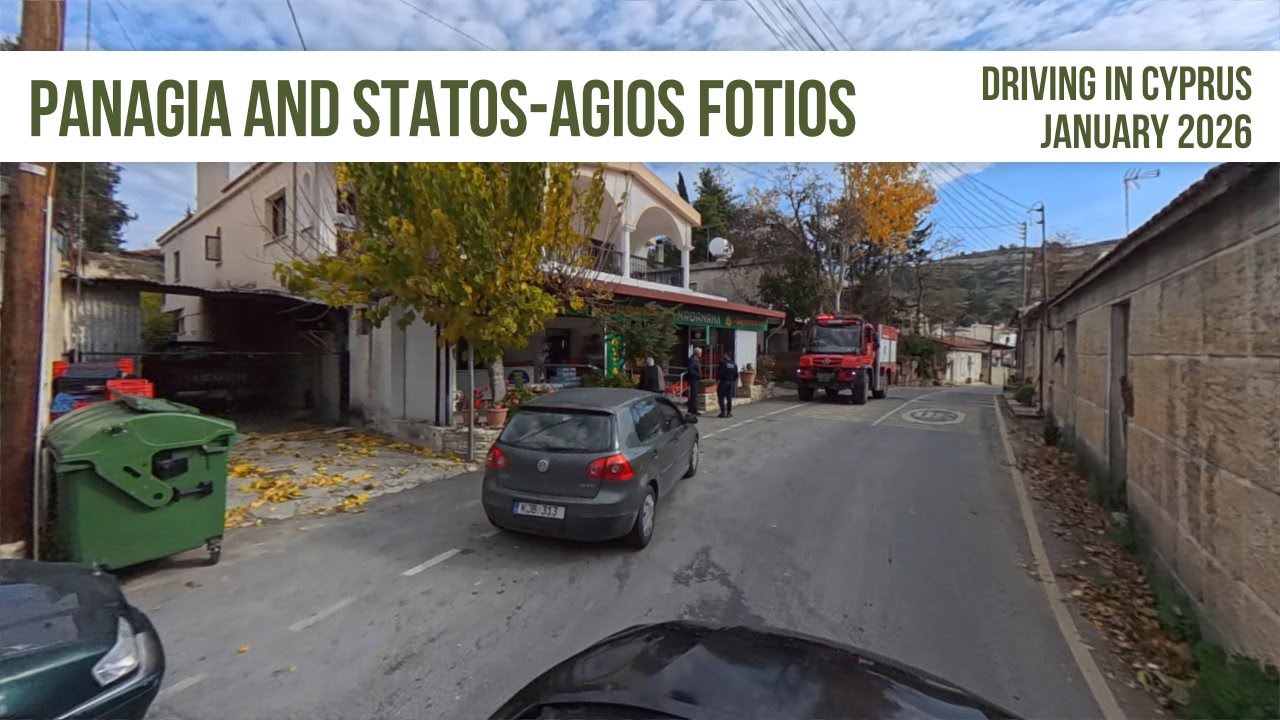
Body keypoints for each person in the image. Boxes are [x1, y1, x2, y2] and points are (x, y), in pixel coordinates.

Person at [716, 351, 739, 418]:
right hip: (730, 383)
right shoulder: (734, 365)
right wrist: (732, 380)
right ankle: (729, 413)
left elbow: (719, 373)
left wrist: (717, 380)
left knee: (721, 398)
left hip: (723, 382)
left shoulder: (723, 363)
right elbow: (736, 375)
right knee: (729, 398)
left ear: (726, 355)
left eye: (724, 355)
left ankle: (723, 413)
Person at [685, 346, 703, 415]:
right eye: (700, 353)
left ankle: (691, 409)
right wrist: (697, 375)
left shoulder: (696, 360)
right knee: (694, 395)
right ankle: (694, 410)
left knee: (694, 395)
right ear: (697, 353)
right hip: (693, 379)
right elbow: (690, 370)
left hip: (695, 379)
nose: (701, 354)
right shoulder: (692, 360)